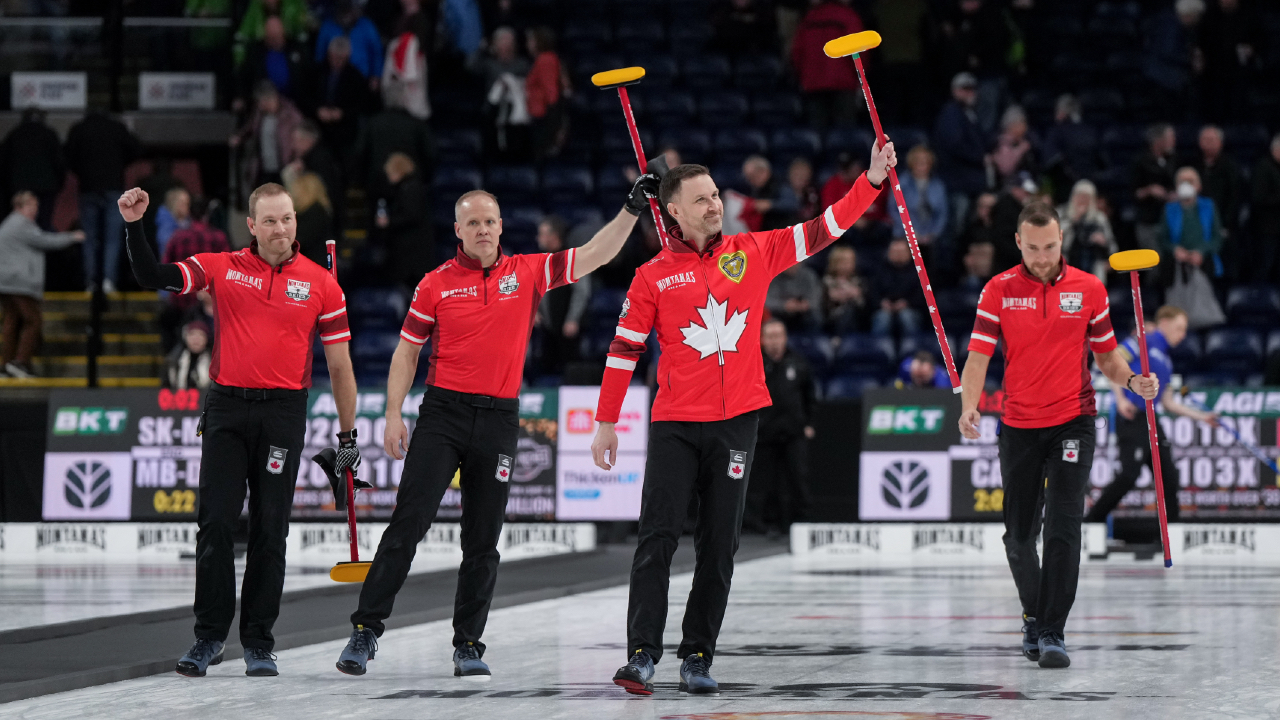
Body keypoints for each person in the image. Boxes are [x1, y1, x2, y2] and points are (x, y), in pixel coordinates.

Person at [592, 141, 896, 696]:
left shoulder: (752, 250)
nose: (715, 205)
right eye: (702, 200)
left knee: (719, 545)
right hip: (675, 423)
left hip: (737, 422)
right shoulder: (651, 275)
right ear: (673, 211)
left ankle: (697, 656)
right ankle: (640, 655)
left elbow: (825, 228)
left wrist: (871, 182)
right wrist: (606, 420)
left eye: (715, 195)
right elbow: (623, 349)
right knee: (657, 538)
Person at [333, 176, 653, 680]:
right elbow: (407, 352)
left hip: (499, 417)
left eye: (489, 221)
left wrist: (632, 209)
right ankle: (365, 630)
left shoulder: (528, 271)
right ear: (458, 230)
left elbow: (595, 253)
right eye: (473, 223)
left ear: (502, 226)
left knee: (482, 540)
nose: (482, 229)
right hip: (443, 414)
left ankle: (467, 645)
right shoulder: (434, 283)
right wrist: (394, 412)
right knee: (408, 525)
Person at [119, 183, 359, 679]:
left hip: (283, 413)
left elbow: (340, 367)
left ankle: (259, 643)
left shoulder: (322, 283)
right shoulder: (221, 267)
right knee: (215, 525)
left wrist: (348, 437)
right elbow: (150, 275)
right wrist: (134, 225)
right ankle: (208, 638)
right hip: (227, 408)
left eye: (287, 218)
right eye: (269, 220)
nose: (280, 228)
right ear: (251, 225)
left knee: (271, 530)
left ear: (296, 221)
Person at [959, 201, 1160, 670]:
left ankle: (1052, 630)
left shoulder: (1089, 289)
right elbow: (977, 357)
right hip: (1019, 426)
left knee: (1064, 529)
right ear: (1018, 243)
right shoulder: (998, 290)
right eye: (1033, 248)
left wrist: (1133, 381)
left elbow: (1107, 357)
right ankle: (1033, 616)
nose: (1042, 257)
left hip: (1074, 421)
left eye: (1049, 247)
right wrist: (969, 405)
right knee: (1018, 537)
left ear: (1062, 240)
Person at [1086, 305, 1218, 525]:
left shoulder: (1166, 360)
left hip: (1151, 419)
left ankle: (1171, 531)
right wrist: (1121, 399)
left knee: (1168, 476)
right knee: (1129, 474)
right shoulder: (1144, 340)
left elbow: (1168, 402)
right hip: (1132, 416)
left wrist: (1203, 417)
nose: (1183, 335)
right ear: (1164, 323)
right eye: (1179, 328)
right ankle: (1091, 521)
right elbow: (1112, 361)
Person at [0, 192, 84, 378]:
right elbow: (46, 240)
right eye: (30, 206)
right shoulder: (21, 224)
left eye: (36, 206)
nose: (35, 210)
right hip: (18, 282)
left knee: (11, 322)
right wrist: (72, 237)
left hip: (6, 282)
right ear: (18, 207)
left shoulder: (10, 223)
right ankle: (21, 363)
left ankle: (6, 365)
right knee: (33, 321)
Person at [744, 319, 814, 538]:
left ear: (785, 338)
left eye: (778, 336)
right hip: (765, 433)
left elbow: (809, 396)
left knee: (798, 478)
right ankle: (769, 524)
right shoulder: (754, 364)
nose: (775, 341)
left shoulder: (798, 363)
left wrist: (809, 423)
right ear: (762, 340)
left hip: (793, 432)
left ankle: (802, 523)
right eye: (770, 336)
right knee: (766, 482)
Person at [64, 109, 140, 293]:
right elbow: (136, 149)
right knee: (112, 238)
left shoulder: (79, 129)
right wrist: (119, 164)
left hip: (88, 188)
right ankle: (108, 281)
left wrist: (83, 172)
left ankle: (90, 282)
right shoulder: (117, 127)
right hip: (113, 187)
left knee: (89, 238)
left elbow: (68, 156)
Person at [160, 196, 230, 351]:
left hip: (180, 300)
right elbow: (228, 271)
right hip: (208, 303)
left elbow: (165, 268)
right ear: (207, 214)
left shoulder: (178, 237)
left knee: (176, 342)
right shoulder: (218, 237)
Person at [789, 0, 864, 131]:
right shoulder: (848, 16)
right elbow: (858, 52)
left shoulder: (810, 17)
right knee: (845, 133)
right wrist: (860, 77)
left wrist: (803, 76)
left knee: (817, 131)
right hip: (844, 83)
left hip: (813, 83)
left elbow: (797, 53)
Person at [534, 215, 591, 376]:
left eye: (542, 234)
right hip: (547, 327)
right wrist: (534, 310)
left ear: (554, 236)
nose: (538, 238)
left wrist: (573, 319)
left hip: (568, 327)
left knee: (570, 370)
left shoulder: (572, 259)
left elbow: (581, 292)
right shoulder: (542, 259)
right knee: (545, 370)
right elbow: (535, 288)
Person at [933, 72, 988, 234]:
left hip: (969, 182)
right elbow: (954, 144)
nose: (970, 93)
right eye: (965, 89)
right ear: (955, 91)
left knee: (968, 226)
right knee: (956, 227)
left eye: (972, 89)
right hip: (957, 182)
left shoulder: (969, 113)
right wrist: (980, 157)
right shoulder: (951, 113)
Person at [231, 81, 304, 191]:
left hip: (284, 166)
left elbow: (301, 139)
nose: (259, 105)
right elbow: (250, 128)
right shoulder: (259, 114)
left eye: (261, 102)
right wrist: (239, 137)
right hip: (264, 167)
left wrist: (299, 159)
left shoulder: (291, 115)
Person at [1191, 125, 1242, 276]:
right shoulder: (1193, 164)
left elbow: (1235, 198)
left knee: (1227, 265)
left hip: (1224, 225)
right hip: (1197, 226)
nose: (1208, 143)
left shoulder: (1231, 166)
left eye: (1211, 140)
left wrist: (1225, 224)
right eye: (1205, 139)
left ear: (1220, 142)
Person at [376, 153, 432, 287]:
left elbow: (411, 216)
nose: (388, 176)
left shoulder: (410, 188)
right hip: (411, 251)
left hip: (411, 253)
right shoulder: (408, 187)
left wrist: (388, 221)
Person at [1160, 166, 1224, 280]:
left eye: (1190, 181)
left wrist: (1201, 252)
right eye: (1182, 182)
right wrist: (1175, 250)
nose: (1186, 185)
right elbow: (1162, 239)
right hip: (1176, 264)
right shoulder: (1169, 209)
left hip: (1204, 261)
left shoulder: (1209, 206)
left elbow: (1217, 238)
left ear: (1199, 186)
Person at [311, 35, 370, 157]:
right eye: (334, 57)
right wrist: (317, 110)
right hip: (318, 128)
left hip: (344, 133)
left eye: (340, 58)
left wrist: (342, 113)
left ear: (347, 57)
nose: (336, 62)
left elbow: (361, 104)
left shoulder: (356, 77)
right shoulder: (316, 72)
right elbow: (305, 95)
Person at [888, 144, 948, 261]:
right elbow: (894, 210)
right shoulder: (901, 183)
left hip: (931, 237)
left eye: (925, 162)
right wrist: (910, 232)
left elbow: (942, 213)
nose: (921, 165)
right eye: (918, 162)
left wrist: (933, 233)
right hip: (905, 235)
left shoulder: (938, 186)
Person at [1059, 180, 1116, 284]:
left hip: (1093, 264)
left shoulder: (1099, 218)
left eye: (1086, 197)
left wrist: (1103, 243)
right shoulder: (1062, 213)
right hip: (1067, 263)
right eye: (1079, 196)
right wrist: (1074, 221)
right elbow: (1053, 238)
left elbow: (1112, 246)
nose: (1082, 200)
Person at [313, 0, 384, 84]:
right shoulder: (328, 26)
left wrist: (376, 76)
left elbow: (376, 53)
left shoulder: (367, 26)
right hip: (334, 78)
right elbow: (320, 54)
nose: (347, 16)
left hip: (361, 77)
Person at [1132, 123, 1178, 252]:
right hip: (1149, 221)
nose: (1173, 141)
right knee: (1153, 259)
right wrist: (1150, 190)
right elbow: (1134, 193)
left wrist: (1174, 194)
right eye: (1170, 138)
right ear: (1158, 140)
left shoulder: (1174, 160)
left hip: (1171, 220)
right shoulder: (1140, 162)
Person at [524, 26, 567, 161]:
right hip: (541, 117)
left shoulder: (546, 60)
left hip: (544, 119)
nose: (528, 44)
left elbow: (551, 93)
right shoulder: (543, 59)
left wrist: (553, 126)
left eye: (531, 40)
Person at [871, 238, 923, 337]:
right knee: (883, 318)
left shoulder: (919, 272)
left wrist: (907, 303)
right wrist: (881, 303)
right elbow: (873, 293)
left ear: (909, 253)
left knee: (906, 316)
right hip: (884, 309)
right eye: (895, 251)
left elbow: (922, 296)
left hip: (910, 308)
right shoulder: (879, 271)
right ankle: (879, 345)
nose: (898, 255)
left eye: (901, 252)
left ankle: (913, 344)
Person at [1252, 133, 1280, 284]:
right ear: (1275, 149)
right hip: (1267, 229)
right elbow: (1258, 198)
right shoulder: (1263, 167)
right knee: (1265, 268)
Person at [290, 172, 334, 267]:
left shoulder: (315, 213)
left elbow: (301, 240)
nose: (294, 195)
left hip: (314, 266)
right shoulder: (318, 211)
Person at [823, 245, 866, 334]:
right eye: (843, 262)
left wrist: (856, 295)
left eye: (849, 262)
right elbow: (823, 306)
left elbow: (864, 305)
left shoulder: (859, 281)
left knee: (849, 310)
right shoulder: (827, 281)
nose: (846, 265)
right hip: (832, 320)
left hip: (857, 319)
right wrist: (832, 297)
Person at [164, 319, 214, 391]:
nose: (196, 339)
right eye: (192, 334)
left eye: (201, 335)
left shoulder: (215, 362)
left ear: (206, 338)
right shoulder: (174, 359)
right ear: (185, 337)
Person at [772, 158, 821, 225]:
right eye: (796, 174)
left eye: (803, 175)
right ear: (789, 174)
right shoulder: (780, 191)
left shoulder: (813, 192)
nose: (799, 178)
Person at [155, 187, 191, 257]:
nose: (187, 206)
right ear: (174, 204)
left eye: (187, 203)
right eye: (183, 203)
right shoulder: (165, 226)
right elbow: (166, 250)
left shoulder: (188, 222)